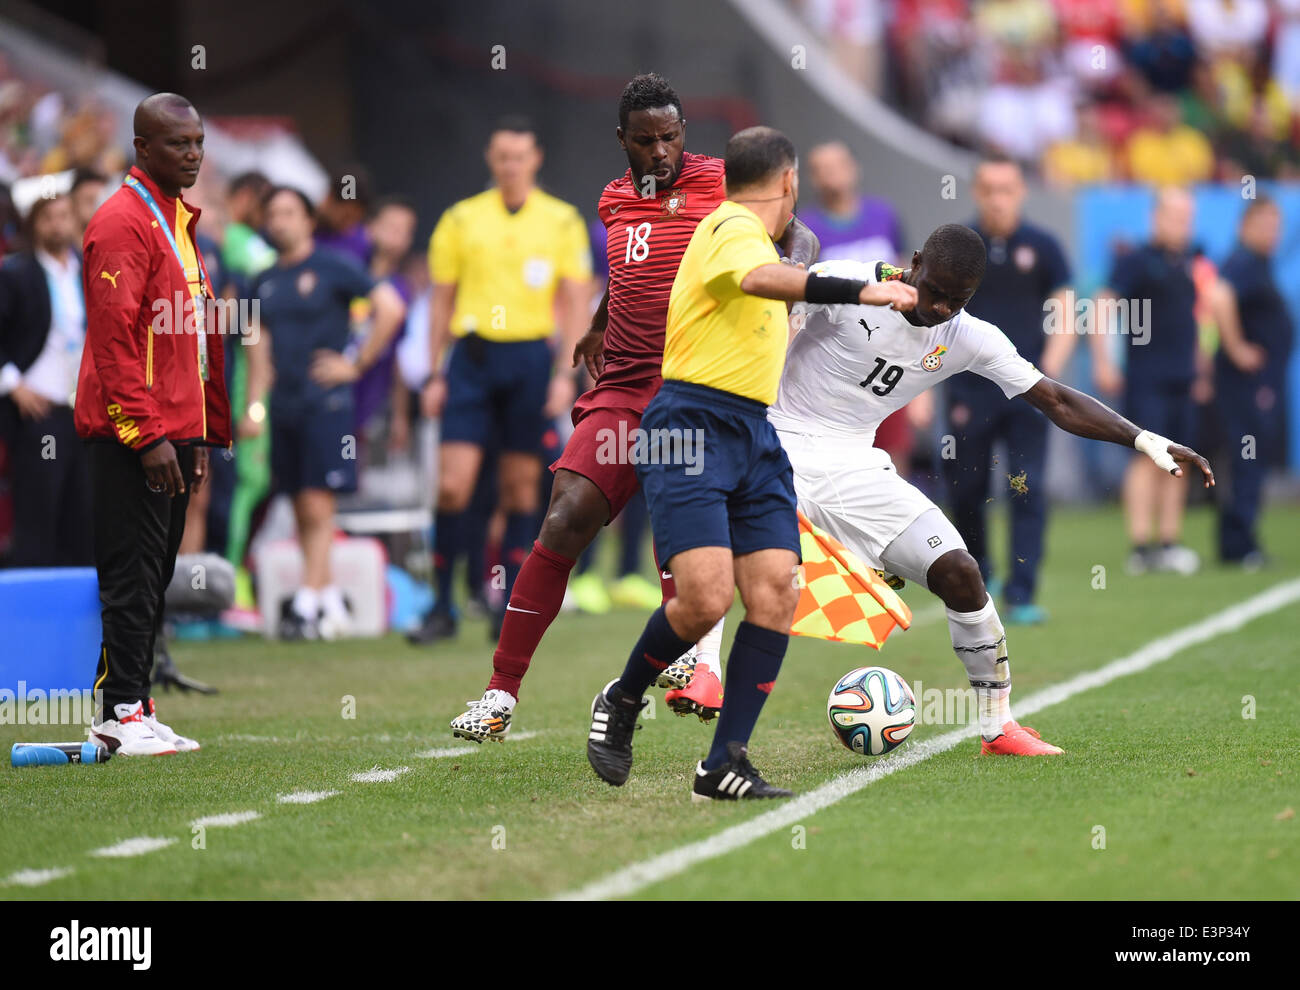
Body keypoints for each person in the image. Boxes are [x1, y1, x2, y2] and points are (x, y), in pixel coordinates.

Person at [447, 76, 818, 743]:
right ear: (622, 140)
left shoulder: (724, 186)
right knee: (564, 518)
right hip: (622, 385)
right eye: (645, 141)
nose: (660, 152)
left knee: (691, 543)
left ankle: (676, 663)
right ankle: (499, 694)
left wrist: (787, 301)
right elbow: (629, 275)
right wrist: (596, 323)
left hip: (695, 387)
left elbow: (801, 242)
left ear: (685, 135)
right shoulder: (613, 200)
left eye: (670, 137)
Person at [771, 226, 1214, 758]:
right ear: (914, 263)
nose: (939, 308)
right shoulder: (850, 284)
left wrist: (1143, 439)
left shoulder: (969, 335)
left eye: (956, 300)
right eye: (932, 290)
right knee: (742, 565)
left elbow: (1055, 399)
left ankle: (998, 726)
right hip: (778, 446)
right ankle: (696, 664)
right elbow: (778, 284)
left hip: (854, 465)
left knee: (961, 572)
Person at [584, 125, 914, 801]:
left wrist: (879, 279)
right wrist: (862, 291)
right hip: (690, 425)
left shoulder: (752, 234)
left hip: (752, 432)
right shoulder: (731, 227)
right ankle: (622, 698)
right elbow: (765, 278)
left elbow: (781, 281)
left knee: (774, 594)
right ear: (789, 182)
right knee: (705, 600)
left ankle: (723, 761)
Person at [78, 93, 232, 756]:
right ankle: (117, 712)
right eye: (178, 143)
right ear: (142, 148)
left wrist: (194, 431)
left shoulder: (175, 221)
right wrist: (146, 436)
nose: (193, 153)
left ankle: (136, 706)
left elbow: (187, 341)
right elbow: (114, 344)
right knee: (131, 574)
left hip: (172, 433)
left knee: (155, 573)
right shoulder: (121, 223)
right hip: (130, 437)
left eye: (198, 142)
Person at [413, 118, 592, 646]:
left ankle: (507, 605)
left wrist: (566, 372)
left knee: (520, 491)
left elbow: (577, 299)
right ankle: (441, 605)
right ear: (491, 160)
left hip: (531, 361)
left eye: (519, 156)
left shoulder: (560, 221)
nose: (510, 164)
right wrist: (432, 372)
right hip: (470, 360)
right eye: (501, 156)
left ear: (535, 159)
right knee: (453, 486)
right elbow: (441, 299)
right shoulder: (461, 218)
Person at [248, 186, 405, 639]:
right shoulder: (263, 280)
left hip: (327, 404)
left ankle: (307, 601)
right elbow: (256, 346)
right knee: (298, 501)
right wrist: (255, 406)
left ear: (308, 220)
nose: (279, 220)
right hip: (285, 405)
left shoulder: (334, 266)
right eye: (272, 212)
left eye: (289, 212)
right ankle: (327, 596)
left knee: (319, 502)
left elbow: (389, 308)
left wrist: (354, 363)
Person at [943, 155, 1074, 624]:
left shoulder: (1043, 246)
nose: (998, 198)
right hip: (967, 389)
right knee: (966, 487)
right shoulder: (959, 247)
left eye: (1007, 189)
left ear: (1020, 192)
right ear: (977, 193)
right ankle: (980, 573)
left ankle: (1022, 591)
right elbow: (930, 312)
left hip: (1026, 391)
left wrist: (1049, 373)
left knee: (1026, 487)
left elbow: (1064, 308)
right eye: (990, 189)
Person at [1092, 187, 1209, 574]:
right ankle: (1140, 546)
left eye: (1187, 218)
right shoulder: (1137, 261)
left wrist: (1200, 369)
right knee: (1147, 458)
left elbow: (1191, 323)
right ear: (1157, 218)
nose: (1182, 225)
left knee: (1180, 458)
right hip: (1147, 378)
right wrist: (1104, 361)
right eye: (1175, 217)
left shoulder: (1186, 263)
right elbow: (1103, 303)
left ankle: (1168, 543)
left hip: (1182, 377)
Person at [0, 192, 92, 567]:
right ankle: (31, 607)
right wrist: (13, 384)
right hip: (43, 416)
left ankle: (76, 609)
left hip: (85, 413)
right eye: (48, 217)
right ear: (34, 223)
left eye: (64, 216)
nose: (57, 224)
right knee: (41, 506)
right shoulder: (16, 273)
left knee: (83, 510)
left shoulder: (89, 270)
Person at [1208, 196, 1292, 568]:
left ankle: (1238, 540)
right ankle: (1240, 543)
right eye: (1266, 226)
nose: (1273, 234)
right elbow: (1219, 296)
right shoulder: (1242, 260)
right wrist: (1237, 347)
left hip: (1260, 382)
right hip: (1245, 384)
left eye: (1277, 227)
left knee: (1251, 458)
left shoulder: (1259, 263)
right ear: (1246, 225)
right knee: (1247, 457)